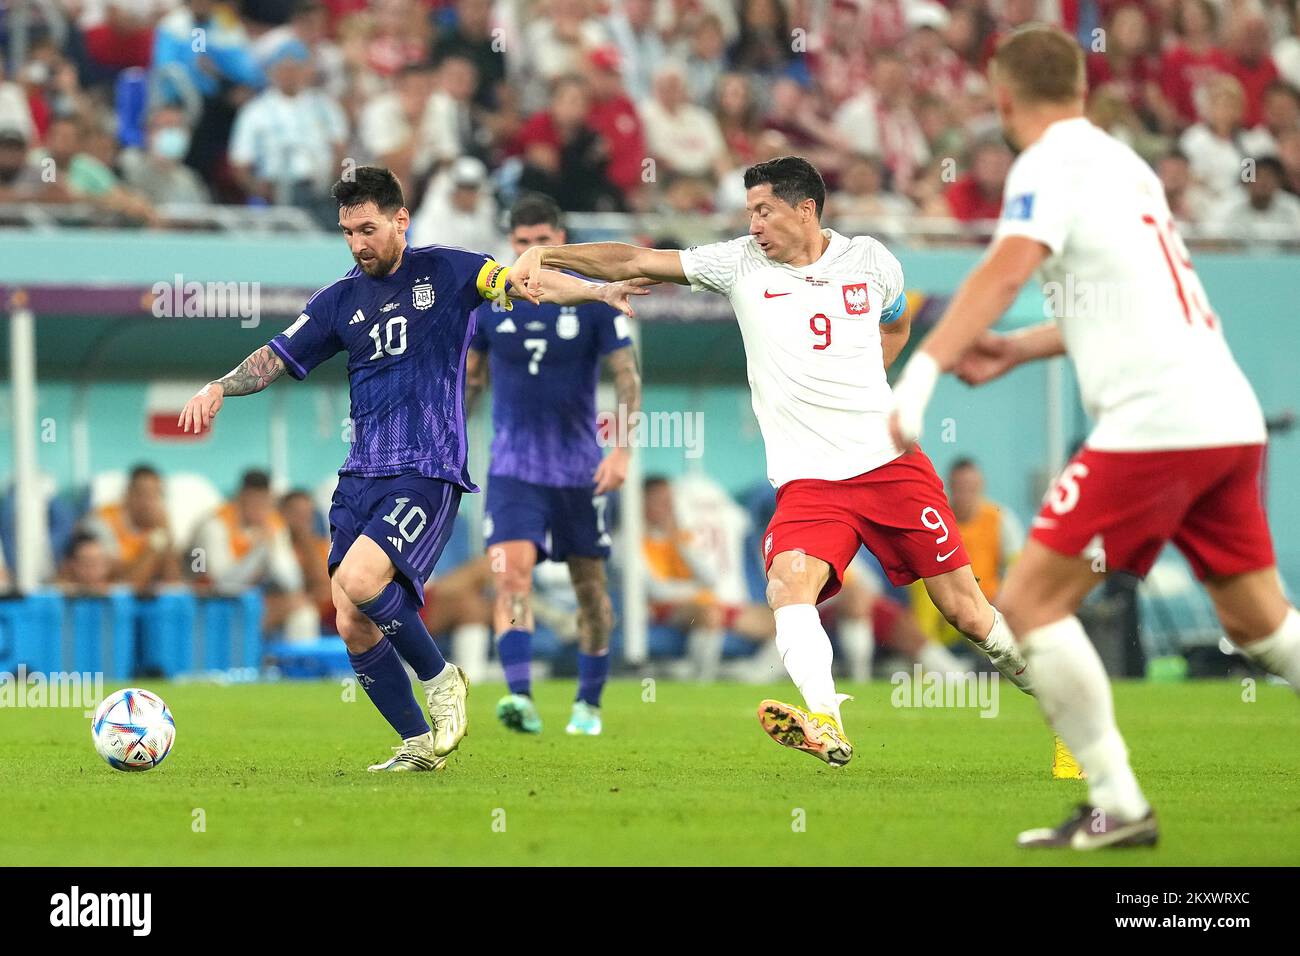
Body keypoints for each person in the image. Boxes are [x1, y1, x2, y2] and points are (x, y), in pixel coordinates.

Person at [889, 25, 1299, 850]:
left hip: (1158, 421)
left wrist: (922, 373)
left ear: (1004, 99)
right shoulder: (1124, 162)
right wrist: (1016, 348)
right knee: (1261, 625)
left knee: (1032, 602)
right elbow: (1120, 298)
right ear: (1080, 87)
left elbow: (1005, 266)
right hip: (1223, 412)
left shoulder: (1047, 163)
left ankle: (1116, 802)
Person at [508, 155, 1034, 770]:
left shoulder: (872, 261)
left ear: (805, 208)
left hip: (890, 466)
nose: (753, 224)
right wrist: (545, 258)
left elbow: (896, 325)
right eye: (749, 211)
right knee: (788, 584)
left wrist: (864, 385)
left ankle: (1057, 701)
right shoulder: (738, 264)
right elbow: (634, 260)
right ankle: (827, 721)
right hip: (810, 482)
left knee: (966, 612)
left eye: (764, 210)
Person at [178, 166, 647, 772]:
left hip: (426, 466)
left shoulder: (453, 270)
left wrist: (597, 290)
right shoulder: (339, 299)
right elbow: (275, 354)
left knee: (362, 580)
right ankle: (418, 745)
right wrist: (219, 387)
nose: (357, 243)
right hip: (361, 477)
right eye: (347, 232)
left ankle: (443, 678)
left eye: (367, 228)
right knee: (351, 620)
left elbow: (531, 286)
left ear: (401, 219)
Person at [467, 193, 642, 736]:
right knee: (511, 576)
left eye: (541, 242)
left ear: (560, 241)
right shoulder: (487, 306)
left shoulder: (591, 301)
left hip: (578, 469)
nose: (530, 254)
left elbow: (626, 376)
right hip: (514, 468)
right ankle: (519, 695)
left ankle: (588, 705)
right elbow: (469, 382)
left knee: (590, 587)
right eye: (521, 244)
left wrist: (622, 450)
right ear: (509, 246)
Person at [642, 475, 774, 682]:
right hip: (663, 608)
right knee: (710, 614)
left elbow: (710, 578)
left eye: (669, 501)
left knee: (782, 622)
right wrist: (695, 591)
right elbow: (655, 590)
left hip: (705, 603)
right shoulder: (631, 539)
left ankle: (753, 676)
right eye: (659, 501)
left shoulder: (682, 537)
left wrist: (679, 542)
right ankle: (701, 679)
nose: (666, 508)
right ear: (642, 503)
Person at [192, 470, 318, 639]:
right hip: (212, 606)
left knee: (304, 613)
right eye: (253, 501)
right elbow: (221, 586)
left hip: (257, 600)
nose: (258, 508)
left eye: (264, 502)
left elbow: (292, 582)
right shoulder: (215, 525)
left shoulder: (273, 525)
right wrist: (260, 550)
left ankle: (296, 664)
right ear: (240, 497)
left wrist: (271, 545)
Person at [82, 464, 181, 592]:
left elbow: (173, 584)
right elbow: (125, 584)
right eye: (143, 493)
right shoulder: (102, 522)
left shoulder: (159, 525)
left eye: (156, 495)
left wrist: (164, 535)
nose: (149, 503)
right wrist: (155, 543)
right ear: (128, 494)